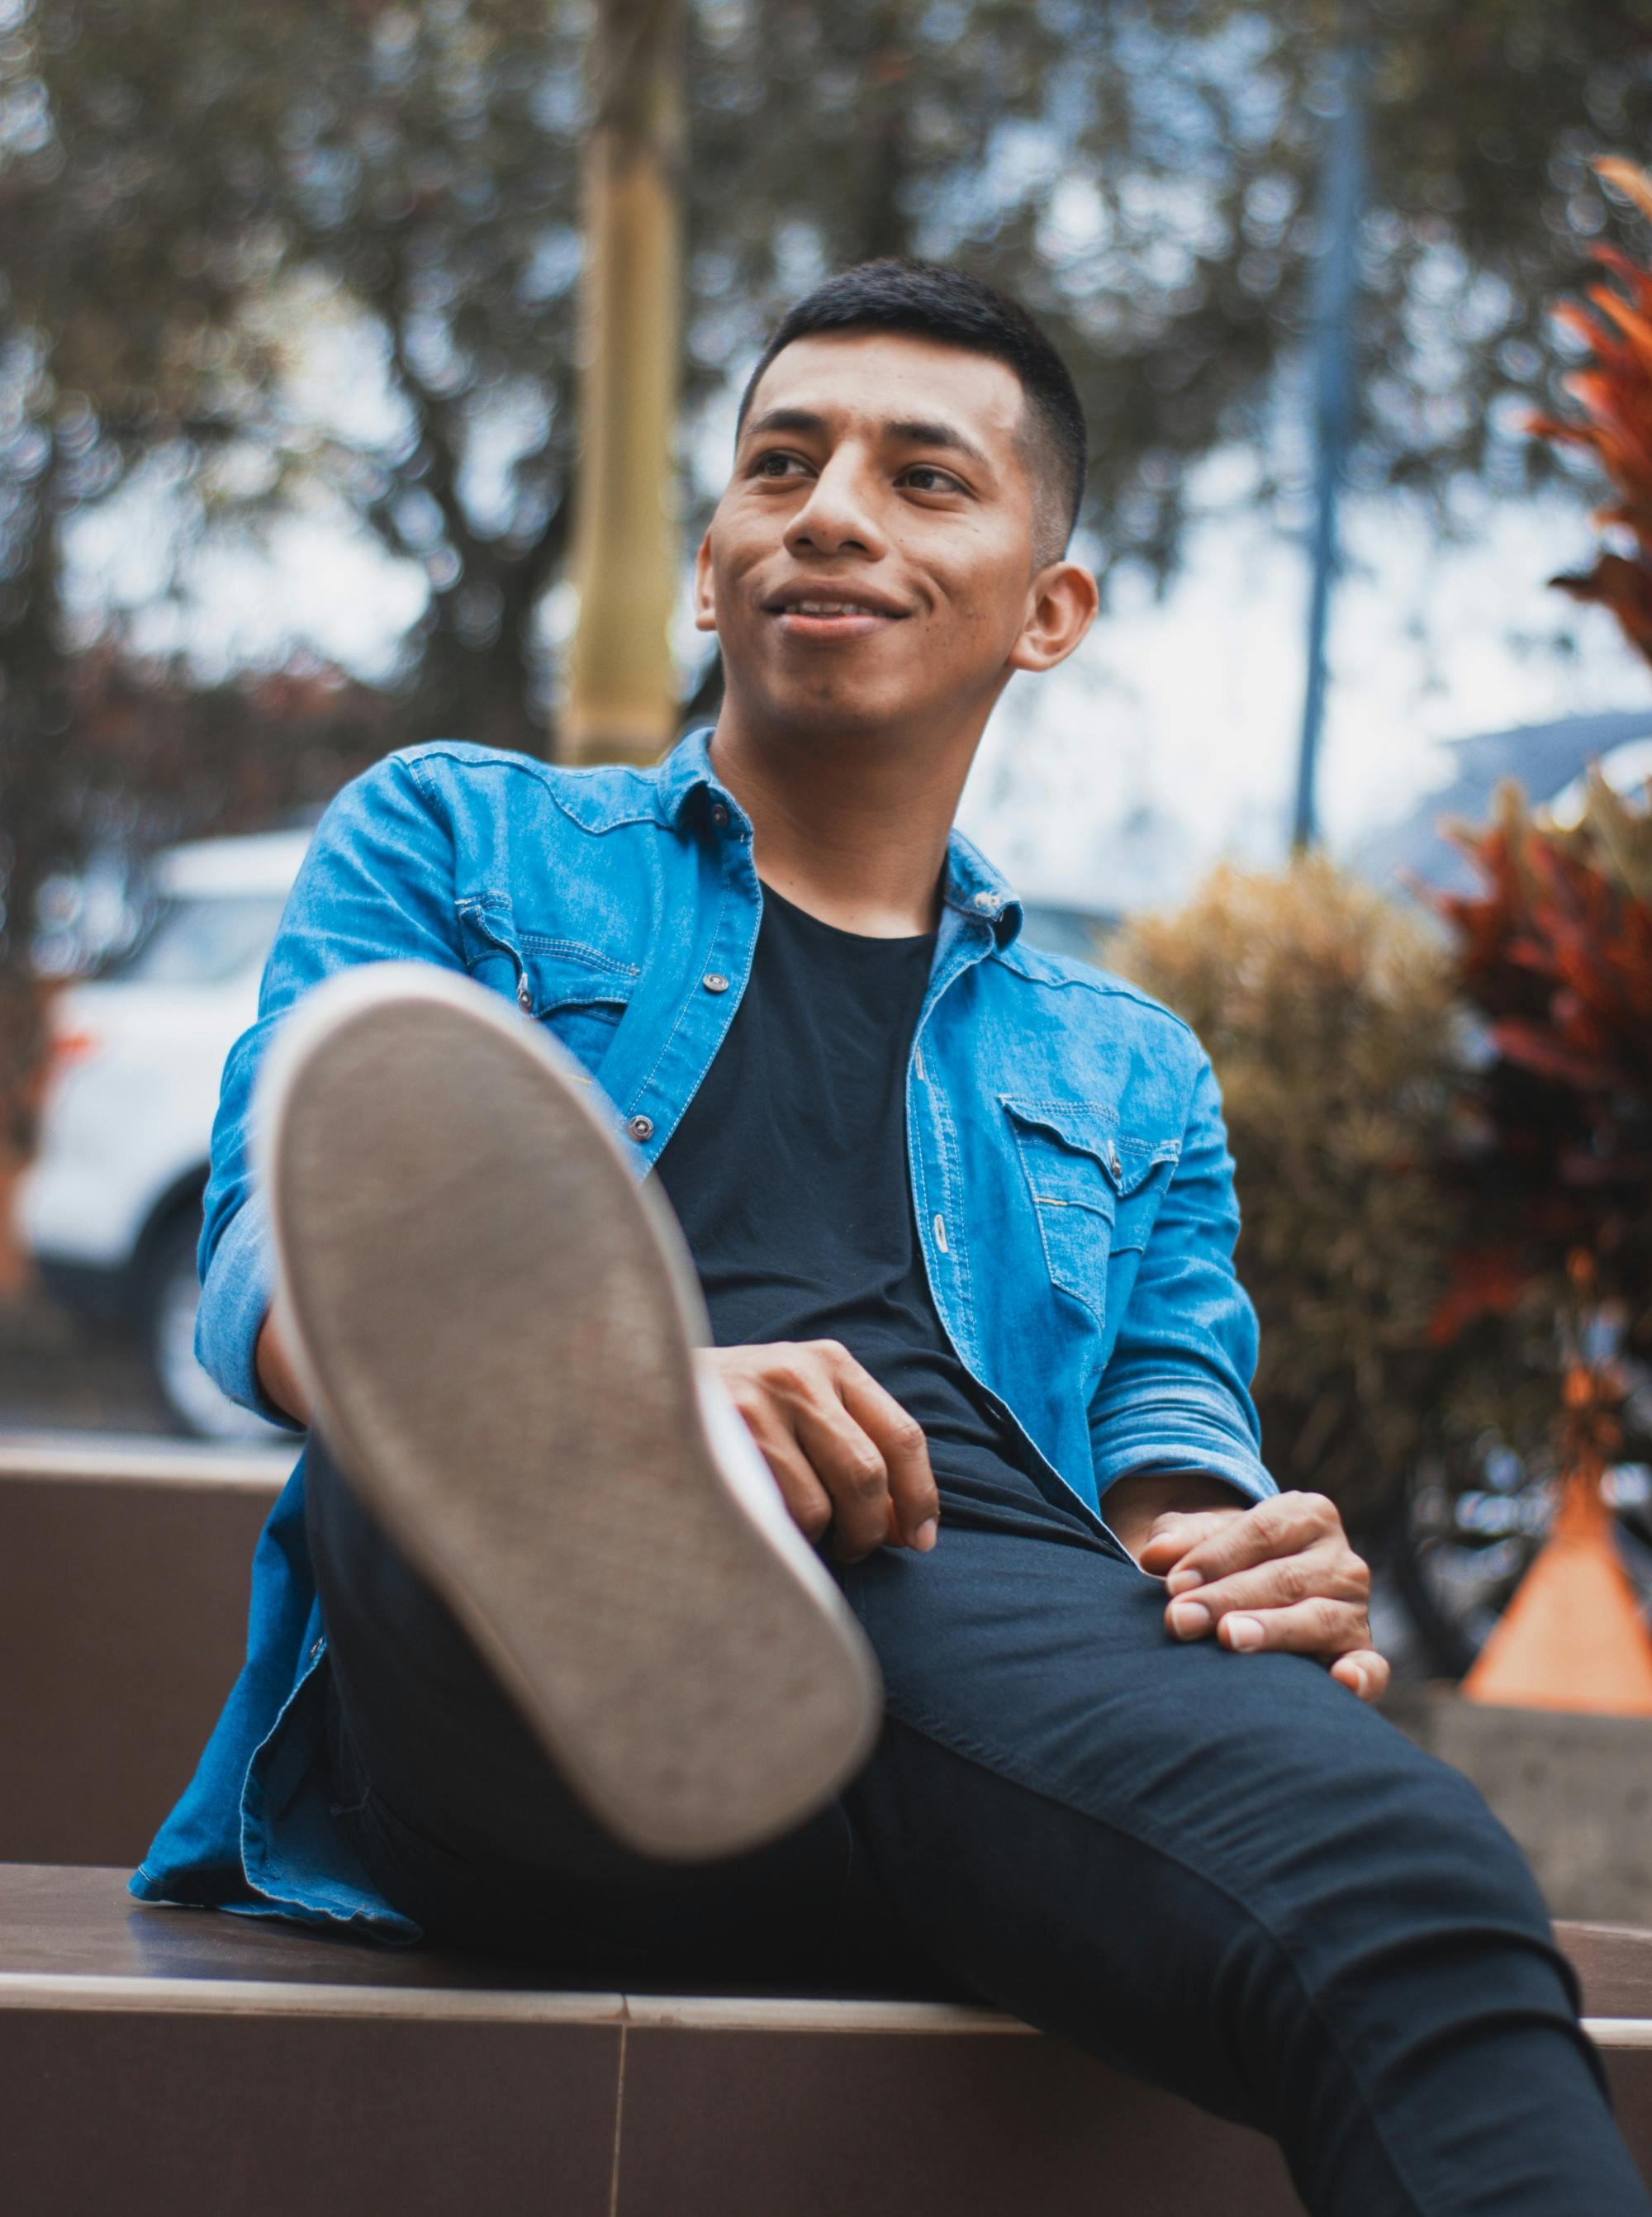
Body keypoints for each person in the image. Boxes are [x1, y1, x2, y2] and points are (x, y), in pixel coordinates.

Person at [135, 260, 1647, 2215]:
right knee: (463, 1426)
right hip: (503, 1658)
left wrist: (1229, 1550)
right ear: (709, 568)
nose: (829, 508)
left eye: (923, 477)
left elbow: (1171, 1422)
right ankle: (597, 1479)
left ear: (1049, 611)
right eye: (782, 463)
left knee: (1418, 1884)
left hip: (971, 1646)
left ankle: (807, 1666)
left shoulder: (1131, 1065)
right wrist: (628, 1403)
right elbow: (275, 1253)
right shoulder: (459, 846)